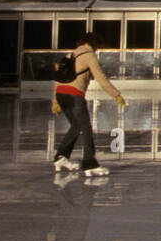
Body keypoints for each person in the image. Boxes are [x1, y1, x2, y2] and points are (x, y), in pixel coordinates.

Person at [52, 32, 126, 177]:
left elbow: (60, 78)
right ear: (95, 44)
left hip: (61, 94)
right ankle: (89, 164)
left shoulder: (71, 54)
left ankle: (61, 157)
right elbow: (101, 78)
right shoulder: (90, 55)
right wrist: (116, 94)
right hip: (74, 95)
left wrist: (55, 101)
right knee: (86, 129)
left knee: (76, 126)